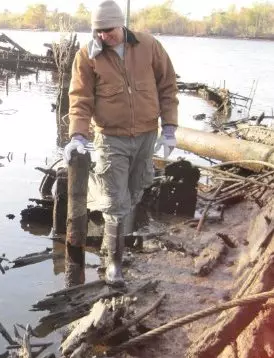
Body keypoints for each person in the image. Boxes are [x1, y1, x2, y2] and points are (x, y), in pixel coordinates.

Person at [63, 0, 178, 288]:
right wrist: (78, 135)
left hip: (147, 135)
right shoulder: (87, 56)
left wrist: (170, 128)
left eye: (109, 30)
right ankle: (113, 264)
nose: (104, 36)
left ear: (121, 24)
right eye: (98, 31)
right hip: (110, 138)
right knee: (115, 202)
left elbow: (167, 85)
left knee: (136, 191)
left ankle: (112, 244)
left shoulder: (149, 45)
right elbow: (80, 99)